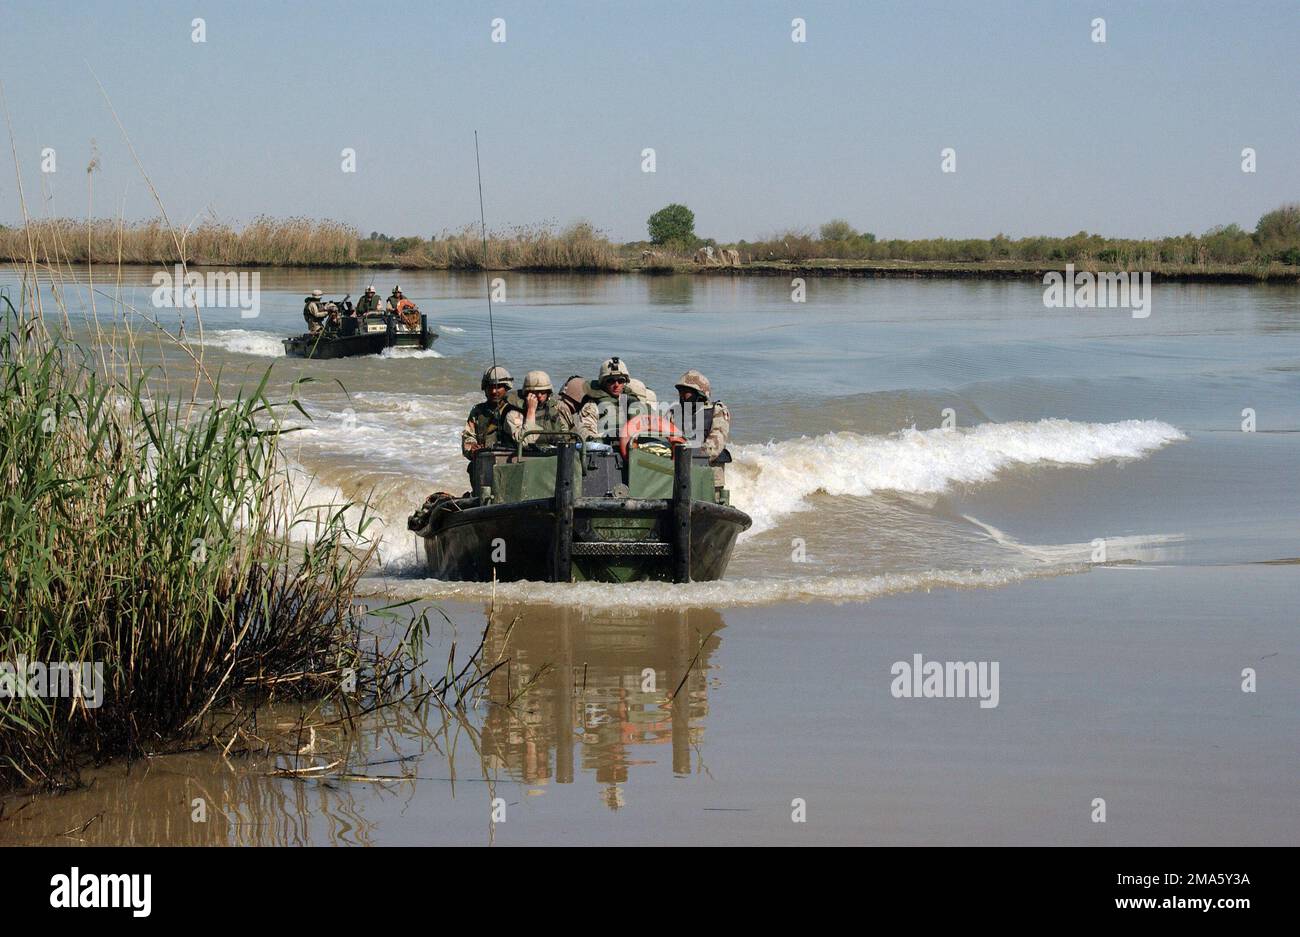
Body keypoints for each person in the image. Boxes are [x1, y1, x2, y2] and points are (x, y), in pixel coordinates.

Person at [674, 369, 732, 490]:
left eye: (686, 392)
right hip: (679, 476)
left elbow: (715, 444)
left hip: (709, 476)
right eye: (680, 392)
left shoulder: (717, 411)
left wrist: (688, 458)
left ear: (699, 394)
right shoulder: (675, 413)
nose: (682, 396)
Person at [579, 357, 654, 440]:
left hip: (635, 447)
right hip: (606, 448)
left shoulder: (632, 401)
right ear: (603, 383)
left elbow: (654, 426)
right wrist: (609, 435)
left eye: (621, 380)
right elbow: (585, 433)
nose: (616, 385)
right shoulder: (592, 405)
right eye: (610, 381)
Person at [461, 366, 523, 460]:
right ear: (484, 388)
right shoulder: (478, 412)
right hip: (484, 462)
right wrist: (472, 448)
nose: (494, 391)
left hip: (510, 461)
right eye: (490, 387)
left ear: (506, 387)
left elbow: (523, 439)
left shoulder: (515, 410)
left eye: (498, 387)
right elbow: (468, 435)